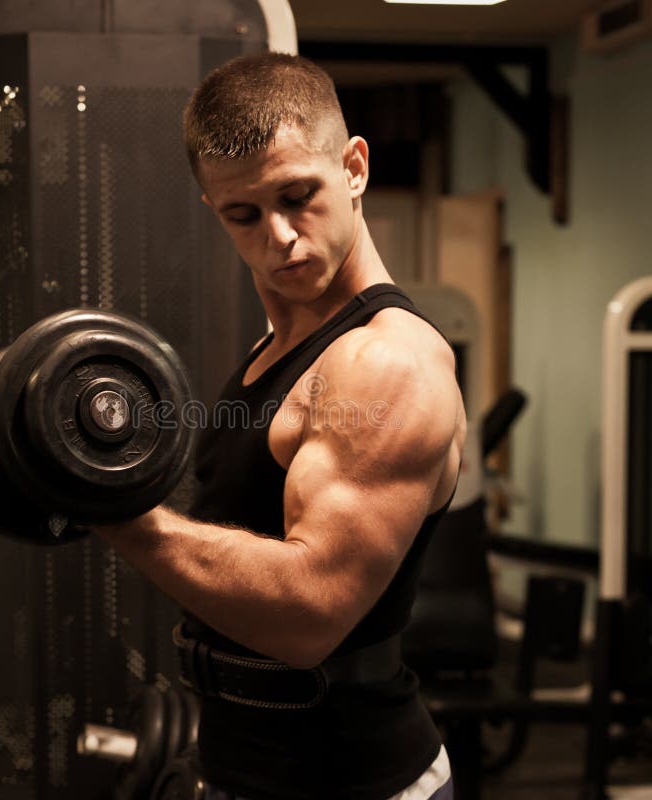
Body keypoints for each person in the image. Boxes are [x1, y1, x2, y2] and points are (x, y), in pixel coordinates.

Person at [98, 53, 466, 799]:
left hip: (358, 782)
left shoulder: (384, 361)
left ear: (354, 167)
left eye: (299, 197)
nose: (281, 236)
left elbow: (310, 612)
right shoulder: (278, 350)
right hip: (243, 770)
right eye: (244, 214)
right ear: (212, 207)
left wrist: (122, 519)